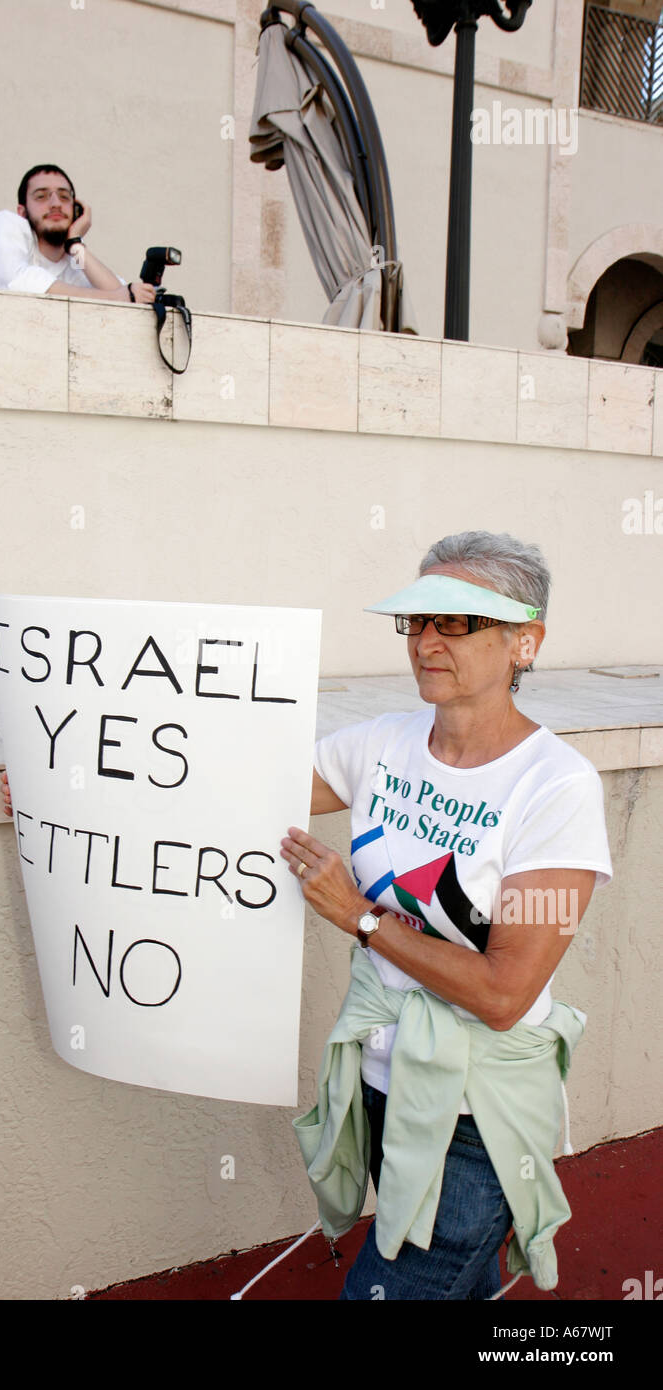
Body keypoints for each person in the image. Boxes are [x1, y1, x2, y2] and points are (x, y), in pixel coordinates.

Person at [280, 530, 612, 1300]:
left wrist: (360, 918)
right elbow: (243, 791)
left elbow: (504, 993)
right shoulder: (382, 744)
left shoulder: (555, 788)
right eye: (418, 621)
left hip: (475, 1117)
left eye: (456, 621)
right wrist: (74, 783)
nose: (427, 640)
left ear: (523, 643)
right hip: (380, 1081)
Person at [0, 164, 155, 305]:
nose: (56, 203)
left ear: (76, 210)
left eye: (64, 197)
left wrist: (75, 244)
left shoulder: (74, 260)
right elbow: (19, 284)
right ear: (22, 211)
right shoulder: (5, 225)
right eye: (42, 196)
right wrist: (117, 298)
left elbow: (127, 301)